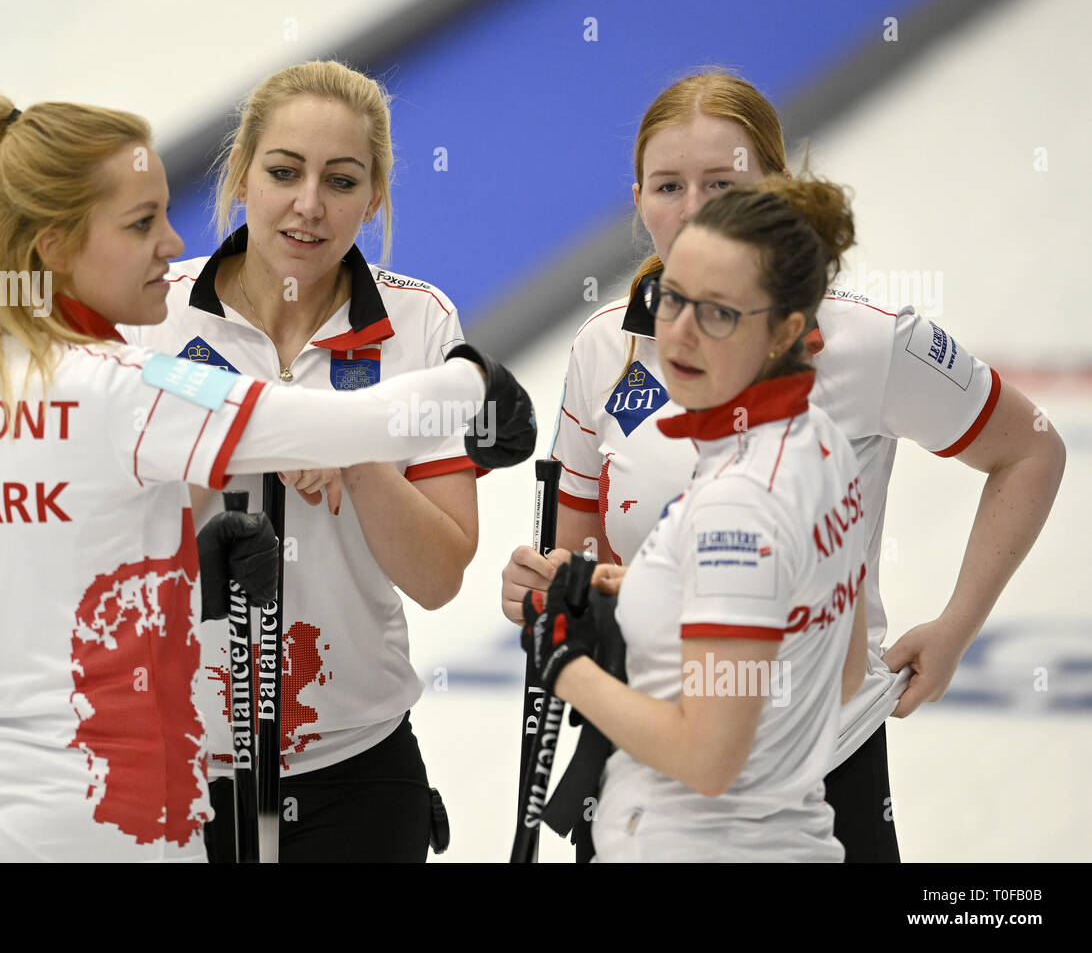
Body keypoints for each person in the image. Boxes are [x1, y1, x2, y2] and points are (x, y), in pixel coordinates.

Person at [0, 93, 534, 862]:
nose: (170, 241)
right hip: (131, 814)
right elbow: (322, 422)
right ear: (56, 246)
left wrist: (190, 564)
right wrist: (473, 388)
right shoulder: (124, 380)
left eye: (340, 180)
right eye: (141, 225)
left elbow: (63, 585)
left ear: (374, 195)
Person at [502, 71, 1065, 861]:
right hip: (645, 766)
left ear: (778, 190)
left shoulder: (867, 346)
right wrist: (555, 587)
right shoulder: (606, 347)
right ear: (638, 199)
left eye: (722, 184)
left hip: (815, 769)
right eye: (669, 185)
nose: (694, 209)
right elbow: (585, 561)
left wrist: (956, 626)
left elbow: (1029, 447)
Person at [121, 59, 487, 863]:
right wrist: (229, 443)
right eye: (284, 171)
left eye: (342, 180)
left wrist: (354, 450)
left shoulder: (420, 323)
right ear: (241, 173)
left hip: (357, 771)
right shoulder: (153, 313)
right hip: (172, 767)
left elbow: (439, 577)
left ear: (376, 197)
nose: (309, 204)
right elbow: (95, 538)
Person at [524, 176, 871, 861]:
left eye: (718, 313)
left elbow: (708, 759)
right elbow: (842, 669)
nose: (678, 331)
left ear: (786, 331)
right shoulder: (821, 439)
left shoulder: (736, 506)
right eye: (673, 297)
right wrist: (640, 588)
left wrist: (564, 666)